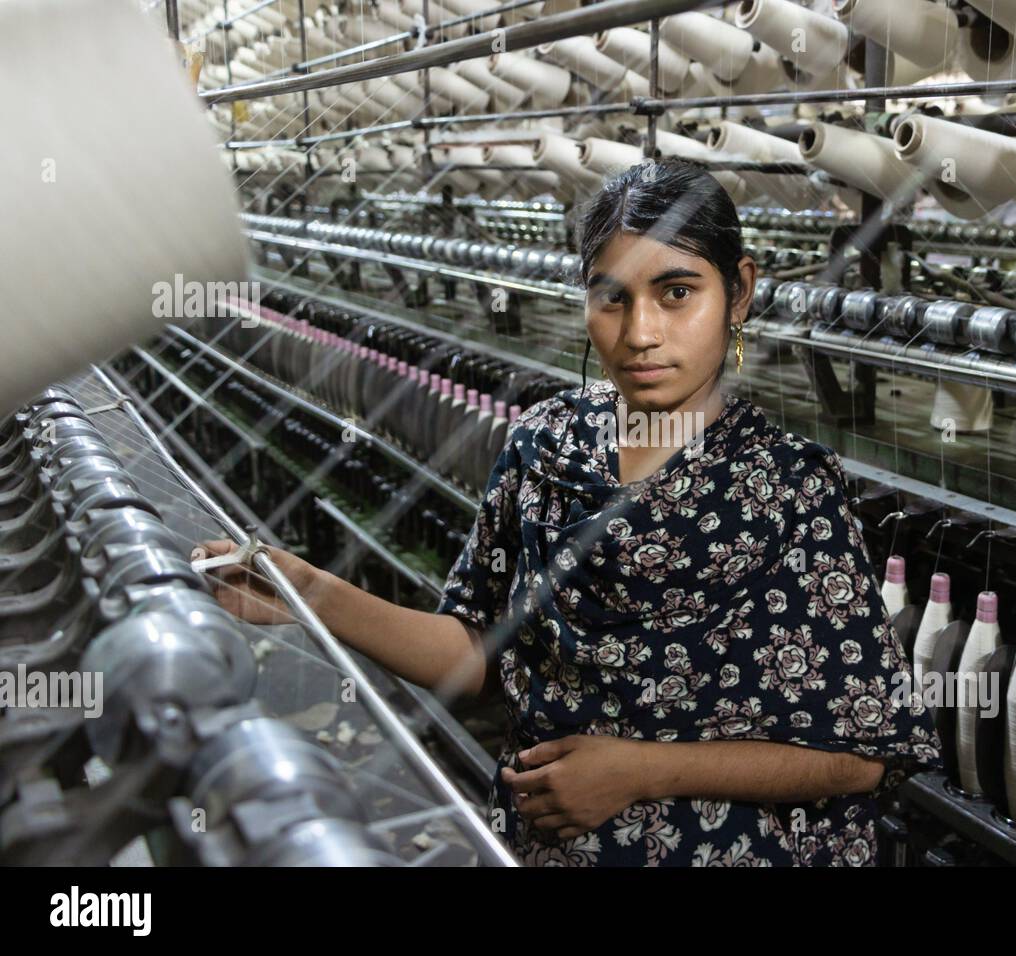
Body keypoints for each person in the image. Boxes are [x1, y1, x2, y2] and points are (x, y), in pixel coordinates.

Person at [199, 158, 941, 866]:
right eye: (611, 296)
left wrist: (641, 772)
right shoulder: (545, 445)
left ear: (739, 292)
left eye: (676, 293)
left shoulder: (789, 489)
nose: (640, 332)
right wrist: (305, 592)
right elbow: (477, 654)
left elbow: (859, 758)